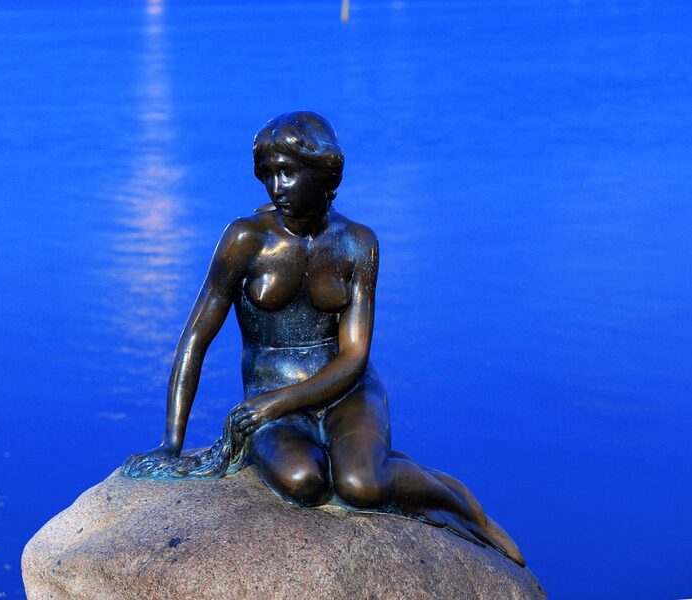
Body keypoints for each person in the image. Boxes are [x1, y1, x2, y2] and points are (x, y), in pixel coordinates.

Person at [122, 111, 524, 566]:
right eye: (268, 173)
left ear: (323, 171)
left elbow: (355, 356)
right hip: (271, 393)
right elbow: (195, 339)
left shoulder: (358, 243)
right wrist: (171, 443)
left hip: (346, 391)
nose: (276, 186)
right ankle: (380, 464)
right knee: (304, 482)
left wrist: (277, 404)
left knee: (362, 484)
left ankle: (465, 506)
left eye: (288, 172)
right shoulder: (246, 240)